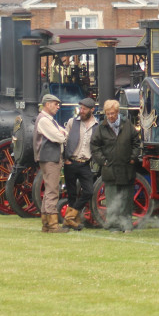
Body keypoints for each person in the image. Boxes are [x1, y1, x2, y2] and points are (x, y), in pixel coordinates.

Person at [90, 98, 143, 232]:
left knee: (126, 199)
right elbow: (94, 146)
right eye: (108, 114)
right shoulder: (101, 128)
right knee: (112, 199)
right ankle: (113, 226)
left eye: (113, 113)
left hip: (127, 168)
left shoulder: (128, 125)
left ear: (117, 112)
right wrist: (103, 161)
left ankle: (127, 226)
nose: (110, 116)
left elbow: (137, 143)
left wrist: (132, 158)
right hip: (110, 169)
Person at [61, 97, 99, 230]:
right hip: (71, 161)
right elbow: (64, 140)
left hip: (85, 163)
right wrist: (65, 158)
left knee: (89, 191)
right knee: (71, 193)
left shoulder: (96, 125)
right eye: (80, 108)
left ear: (92, 110)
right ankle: (73, 221)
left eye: (84, 109)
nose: (81, 111)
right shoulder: (72, 122)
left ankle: (69, 218)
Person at [34, 93, 69, 233]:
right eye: (56, 104)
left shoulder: (49, 120)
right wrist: (63, 136)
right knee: (52, 190)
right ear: (47, 104)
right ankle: (53, 225)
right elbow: (60, 137)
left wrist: (63, 134)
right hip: (50, 158)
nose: (58, 107)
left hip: (50, 157)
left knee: (50, 190)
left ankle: (46, 224)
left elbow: (63, 132)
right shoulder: (44, 120)